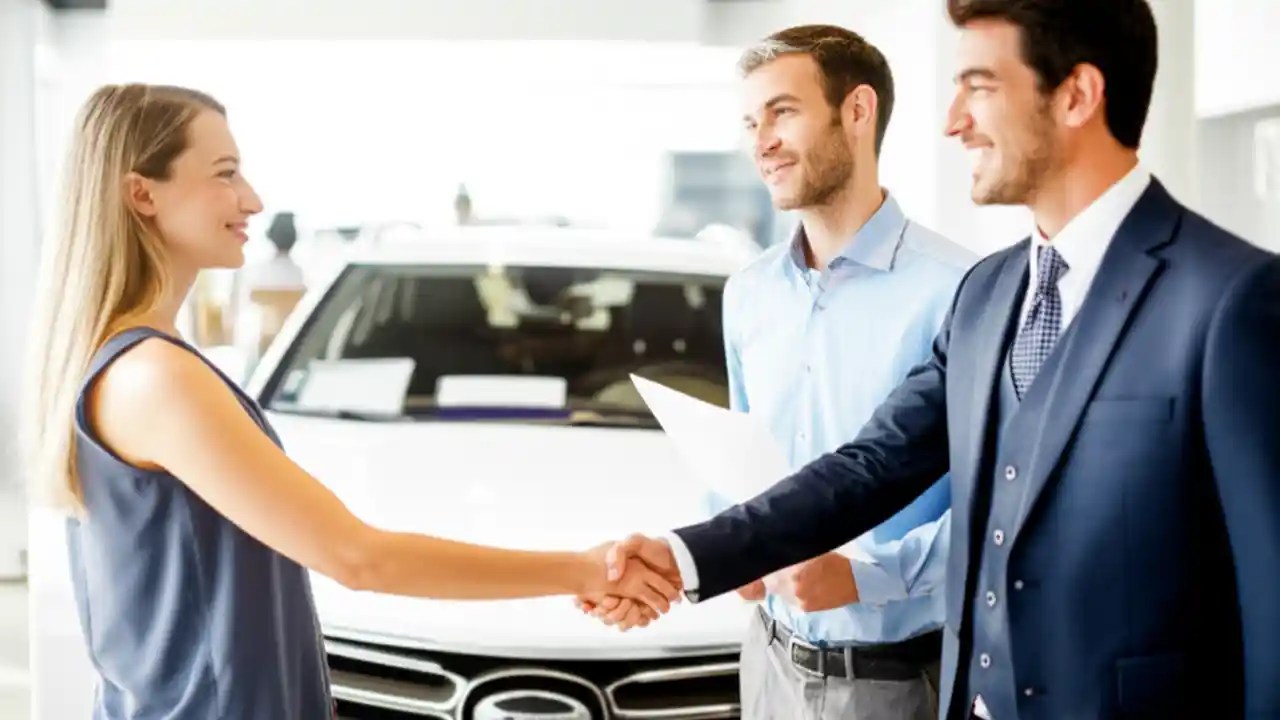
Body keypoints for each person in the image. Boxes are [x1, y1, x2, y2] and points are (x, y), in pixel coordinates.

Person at [595, 1, 1280, 718]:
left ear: (1076, 95)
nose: (954, 121)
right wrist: (691, 554)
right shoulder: (990, 294)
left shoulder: (1234, 300)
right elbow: (870, 466)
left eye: (979, 87)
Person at [20, 84, 678, 720]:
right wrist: (585, 570)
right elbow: (359, 559)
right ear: (142, 194)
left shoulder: (137, 362)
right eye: (225, 173)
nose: (251, 198)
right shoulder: (156, 376)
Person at [586, 25, 974, 720]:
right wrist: (723, 550)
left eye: (782, 113)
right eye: (749, 121)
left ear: (857, 112)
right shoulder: (749, 292)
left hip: (897, 675)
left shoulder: (959, 291)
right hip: (766, 658)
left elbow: (996, 508)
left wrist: (865, 578)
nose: (759, 140)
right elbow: (741, 462)